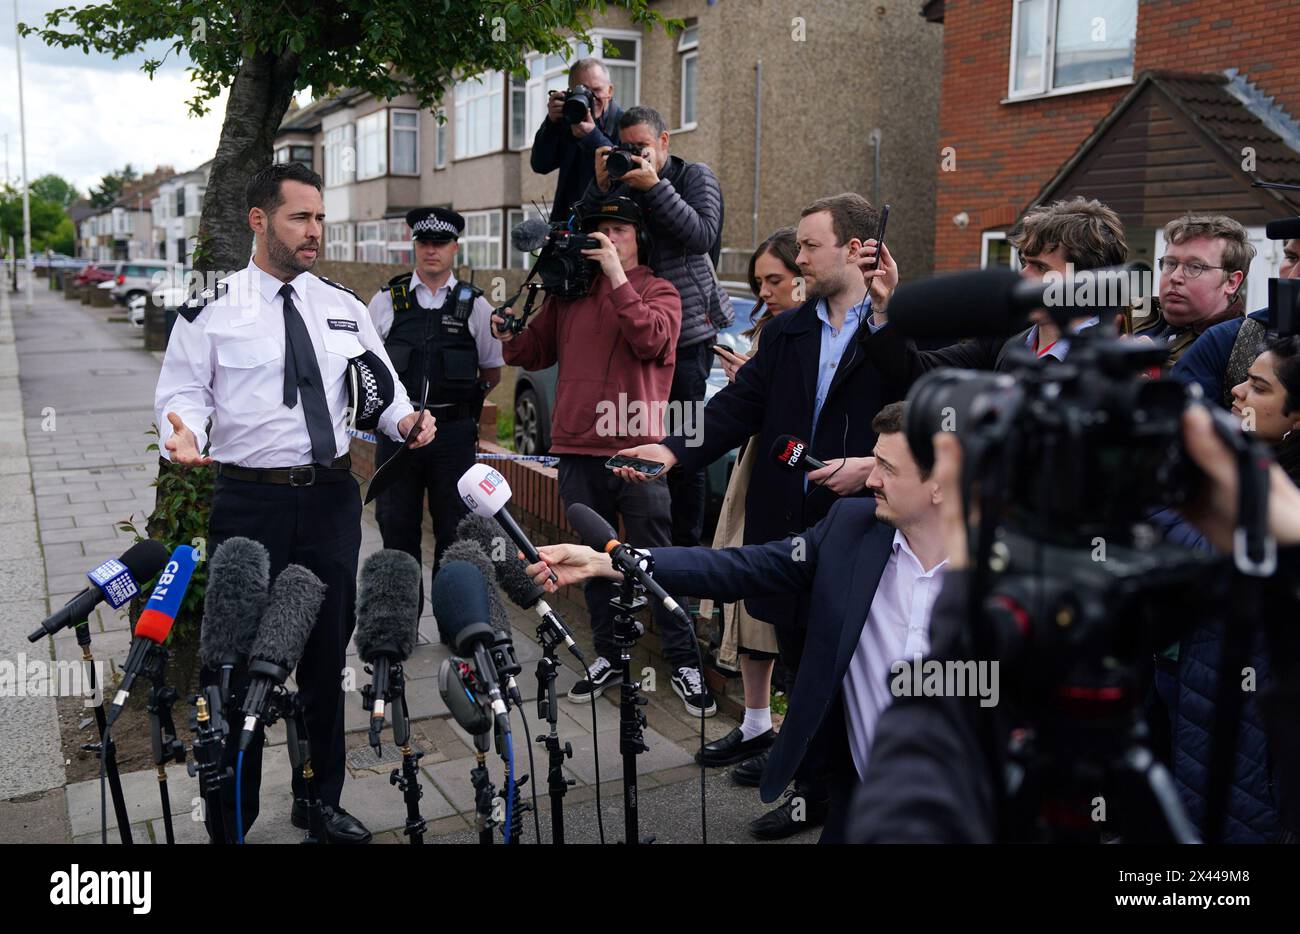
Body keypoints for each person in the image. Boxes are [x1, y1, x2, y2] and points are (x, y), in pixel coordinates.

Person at [154, 163, 435, 843]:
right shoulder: (210, 308)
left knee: (322, 657)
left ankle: (317, 801)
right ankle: (235, 815)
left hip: (333, 499)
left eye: (319, 218)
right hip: (250, 504)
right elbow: (180, 395)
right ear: (259, 220)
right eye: (299, 218)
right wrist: (180, 430)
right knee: (239, 664)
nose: (315, 232)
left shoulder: (342, 304)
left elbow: (386, 389)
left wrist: (404, 422)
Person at [526, 402, 949, 842]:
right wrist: (610, 561)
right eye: (874, 461)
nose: (871, 478)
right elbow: (741, 568)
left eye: (887, 467)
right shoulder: (852, 529)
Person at [614, 192, 901, 837]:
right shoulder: (791, 331)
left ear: (857, 249)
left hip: (861, 527)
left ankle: (847, 793)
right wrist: (671, 447)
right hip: (786, 523)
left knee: (849, 667)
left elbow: (917, 411)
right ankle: (810, 793)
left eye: (808, 246)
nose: (797, 257)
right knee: (799, 660)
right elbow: (739, 404)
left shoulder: (895, 331)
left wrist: (870, 467)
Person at [489, 195, 717, 716]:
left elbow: (651, 340)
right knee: (591, 562)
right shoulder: (571, 293)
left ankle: (683, 661)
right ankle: (610, 656)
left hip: (636, 447)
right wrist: (508, 332)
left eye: (621, 230)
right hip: (575, 445)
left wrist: (617, 278)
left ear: (639, 238)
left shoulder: (660, 291)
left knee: (658, 560)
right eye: (602, 231)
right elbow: (534, 350)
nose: (610, 238)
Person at [587, 105, 734, 548]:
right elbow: (588, 229)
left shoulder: (693, 177)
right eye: (626, 148)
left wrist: (654, 187)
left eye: (643, 148)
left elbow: (703, 235)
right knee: (640, 440)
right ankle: (645, 554)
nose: (635, 157)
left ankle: (686, 557)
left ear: (664, 142)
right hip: (636, 331)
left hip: (688, 338)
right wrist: (600, 186)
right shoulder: (619, 180)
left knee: (684, 447)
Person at [365, 207, 504, 632]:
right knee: (397, 528)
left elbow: (492, 371)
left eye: (440, 243)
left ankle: (455, 623)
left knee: (456, 532)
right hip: (400, 437)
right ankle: (399, 626)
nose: (431, 251)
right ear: (414, 246)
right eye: (424, 242)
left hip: (454, 437)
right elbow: (368, 368)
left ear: (454, 248)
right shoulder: (386, 301)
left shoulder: (475, 306)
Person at [694, 229, 801, 776]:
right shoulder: (770, 330)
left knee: (785, 606)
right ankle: (758, 722)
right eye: (759, 282)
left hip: (791, 478)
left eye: (775, 280)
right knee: (748, 599)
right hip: (753, 469)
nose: (764, 293)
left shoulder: (819, 334)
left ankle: (793, 739)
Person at [862, 197, 1128, 388]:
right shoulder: (1007, 340)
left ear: (1085, 281)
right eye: (1025, 262)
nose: (1023, 276)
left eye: (1040, 267)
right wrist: (884, 302)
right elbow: (914, 370)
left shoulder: (1117, 360)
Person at [1173, 236, 1299, 406]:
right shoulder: (1225, 341)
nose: (1294, 275)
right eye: (1291, 258)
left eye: (1196, 267)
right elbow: (1184, 420)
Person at [1135, 214, 1256, 366]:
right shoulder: (1131, 314)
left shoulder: (1239, 351)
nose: (1175, 276)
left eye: (1195, 267)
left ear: (1231, 282)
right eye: (1171, 263)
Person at [529, 58, 623, 224]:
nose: (592, 98)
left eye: (597, 90)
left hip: (609, 226)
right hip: (568, 223)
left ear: (610, 90)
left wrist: (592, 136)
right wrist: (551, 124)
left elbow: (622, 171)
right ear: (570, 92)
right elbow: (540, 165)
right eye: (584, 91)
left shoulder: (625, 123)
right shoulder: (566, 120)